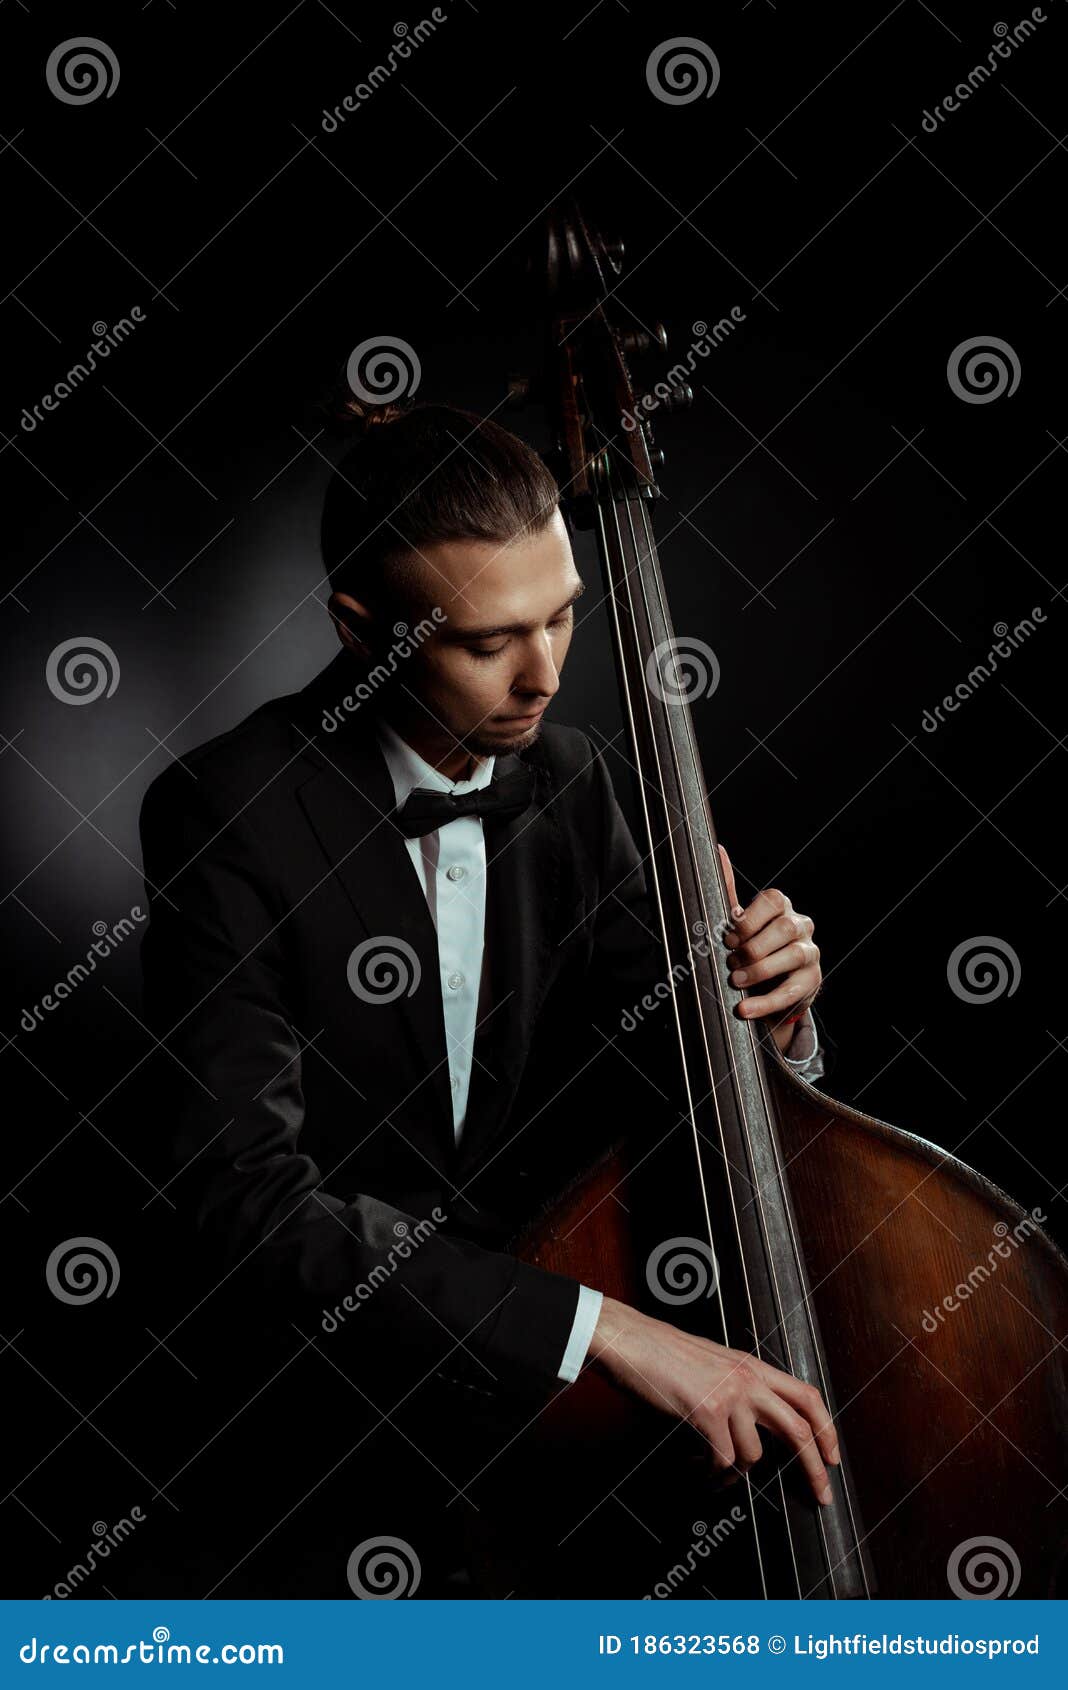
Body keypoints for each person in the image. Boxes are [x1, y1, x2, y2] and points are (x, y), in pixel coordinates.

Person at [138, 400, 838, 1596]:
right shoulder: (225, 812)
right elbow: (245, 1200)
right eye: (485, 641)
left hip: (548, 1453)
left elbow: (664, 1073)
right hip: (316, 1438)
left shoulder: (572, 780)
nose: (545, 675)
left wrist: (772, 1014)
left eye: (564, 616)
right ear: (364, 632)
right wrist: (607, 1329)